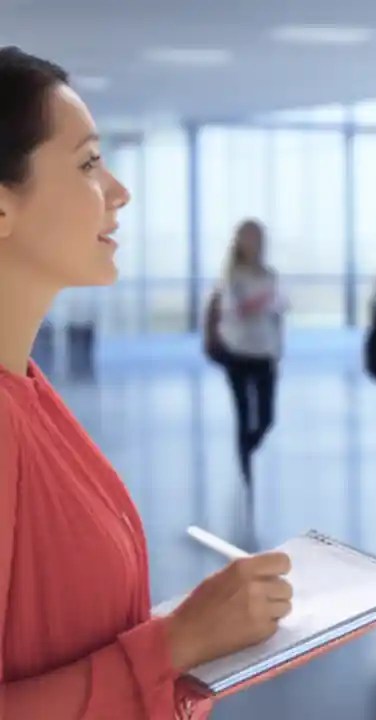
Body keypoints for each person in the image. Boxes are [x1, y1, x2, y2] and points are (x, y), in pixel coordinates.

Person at [0, 46, 292, 719]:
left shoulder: (31, 393)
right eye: (87, 162)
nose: (119, 190)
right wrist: (174, 645)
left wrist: (188, 643)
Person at [216, 219, 285, 486]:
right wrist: (261, 302)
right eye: (248, 237)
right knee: (244, 412)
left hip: (265, 351)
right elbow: (238, 309)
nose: (253, 243)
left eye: (257, 237)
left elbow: (278, 312)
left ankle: (251, 447)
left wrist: (279, 346)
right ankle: (245, 467)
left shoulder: (269, 275)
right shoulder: (233, 276)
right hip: (239, 351)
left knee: (267, 417)